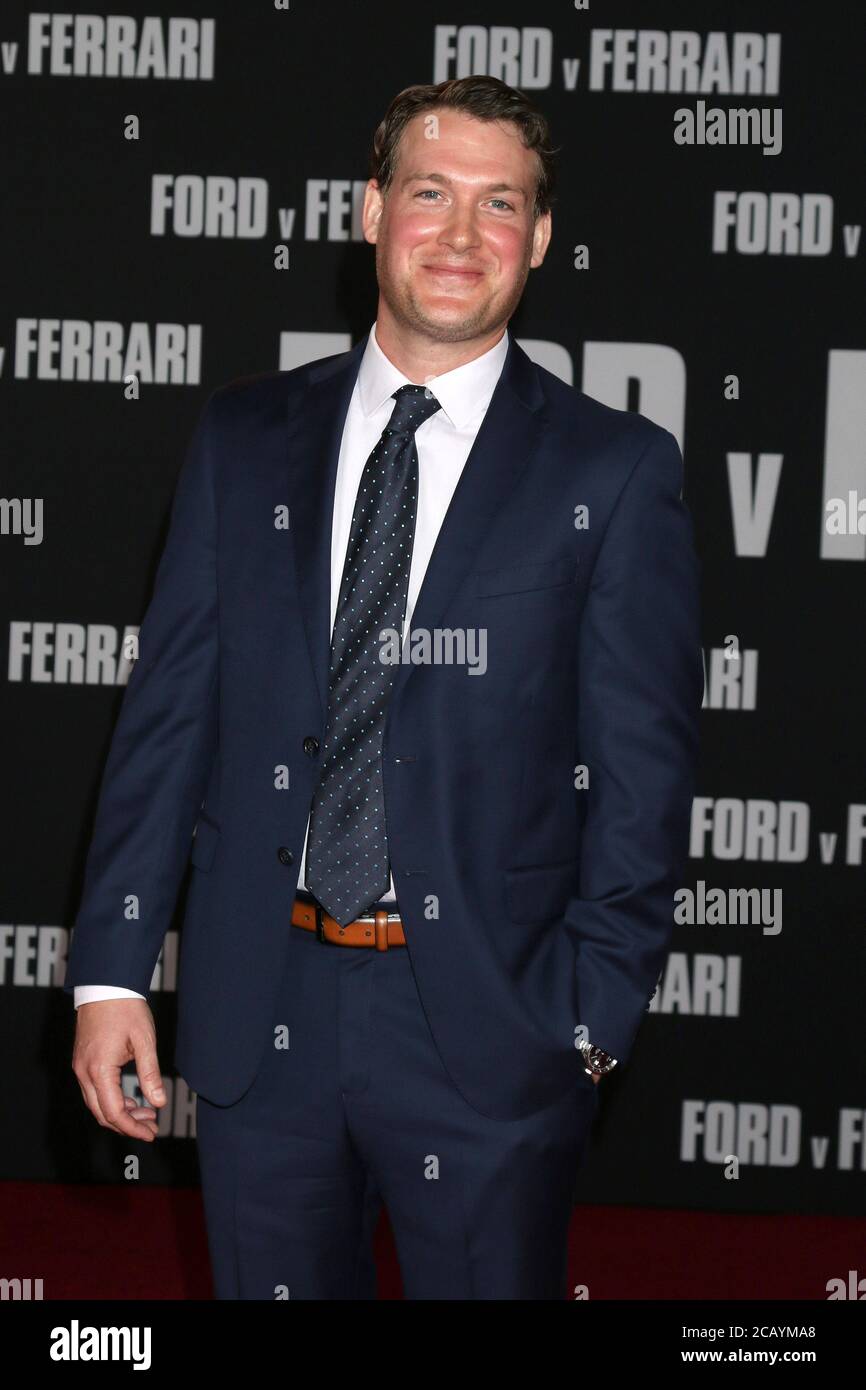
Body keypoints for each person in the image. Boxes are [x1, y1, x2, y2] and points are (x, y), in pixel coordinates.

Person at [67, 75, 702, 1300]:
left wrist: (582, 1028)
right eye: (429, 194)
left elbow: (642, 777)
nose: (461, 237)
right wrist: (110, 975)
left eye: (498, 205)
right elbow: (166, 720)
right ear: (369, 211)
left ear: (540, 240)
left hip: (487, 1030)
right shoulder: (244, 437)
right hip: (267, 1015)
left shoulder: (612, 472)